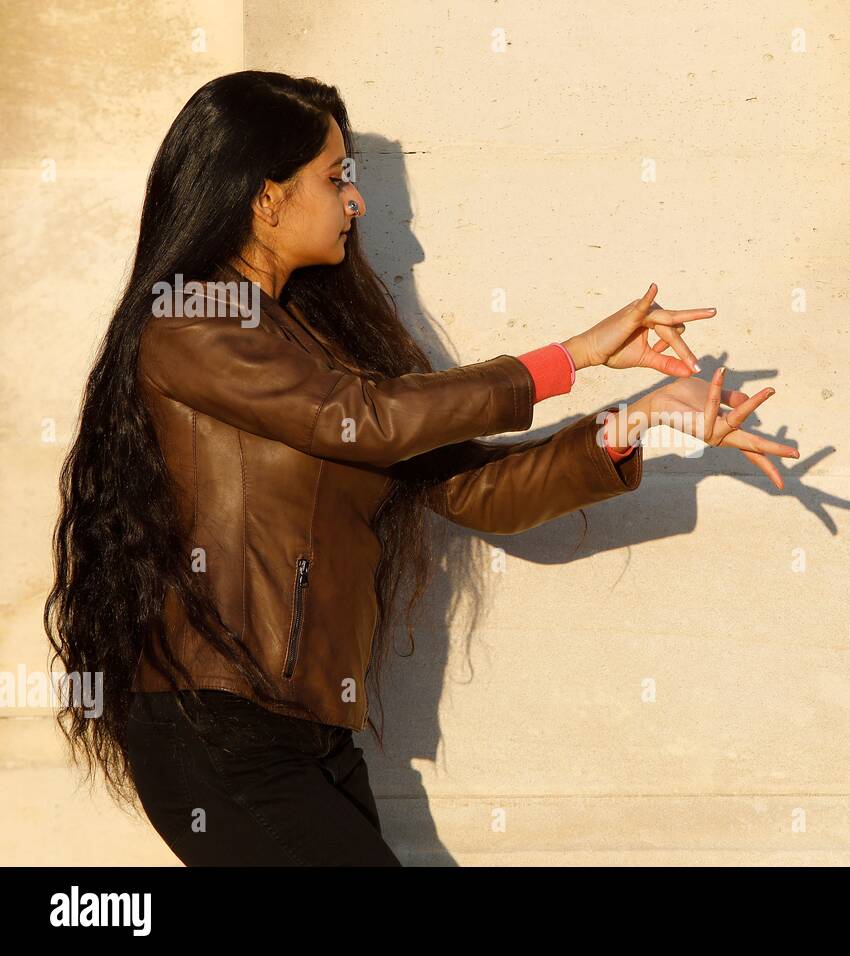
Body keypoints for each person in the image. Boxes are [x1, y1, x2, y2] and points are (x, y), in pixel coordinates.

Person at [44, 70, 798, 866]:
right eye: (336, 179)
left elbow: (475, 490)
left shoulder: (319, 344)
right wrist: (571, 357)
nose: (355, 203)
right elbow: (366, 421)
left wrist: (641, 420)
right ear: (265, 198)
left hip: (311, 733)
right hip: (218, 724)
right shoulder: (190, 321)